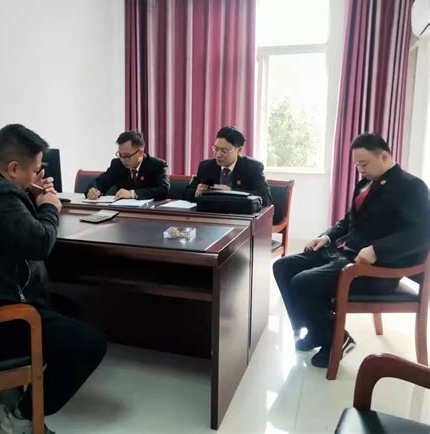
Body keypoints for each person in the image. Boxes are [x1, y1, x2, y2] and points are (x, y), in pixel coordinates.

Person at [0, 124, 107, 434]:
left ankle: (12, 389)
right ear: (13, 168)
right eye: (35, 170)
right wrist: (49, 206)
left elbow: (0, 223)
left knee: (71, 309)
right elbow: (39, 243)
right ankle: (20, 418)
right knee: (89, 343)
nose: (38, 176)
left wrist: (27, 191)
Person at [273, 133, 430, 368]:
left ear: (384, 156)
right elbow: (348, 221)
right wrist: (326, 237)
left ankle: (335, 340)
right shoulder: (366, 183)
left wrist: (378, 249)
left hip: (377, 269)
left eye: (364, 164)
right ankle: (318, 330)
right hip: (345, 254)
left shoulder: (411, 187)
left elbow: (422, 233)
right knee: (283, 267)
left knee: (303, 282)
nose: (360, 170)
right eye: (356, 164)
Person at [183, 126, 272, 207]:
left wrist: (231, 191)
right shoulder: (206, 166)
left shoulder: (253, 167)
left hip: (239, 215)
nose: (218, 155)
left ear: (239, 150)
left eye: (224, 151)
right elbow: (186, 193)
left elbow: (266, 198)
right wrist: (196, 192)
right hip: (212, 214)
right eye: (216, 149)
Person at [86, 131, 170, 201]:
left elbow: (163, 190)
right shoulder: (117, 164)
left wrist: (132, 194)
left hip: (148, 212)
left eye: (127, 156)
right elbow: (101, 181)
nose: (123, 160)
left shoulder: (157, 165)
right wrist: (94, 190)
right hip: (122, 212)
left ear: (140, 153)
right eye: (120, 155)